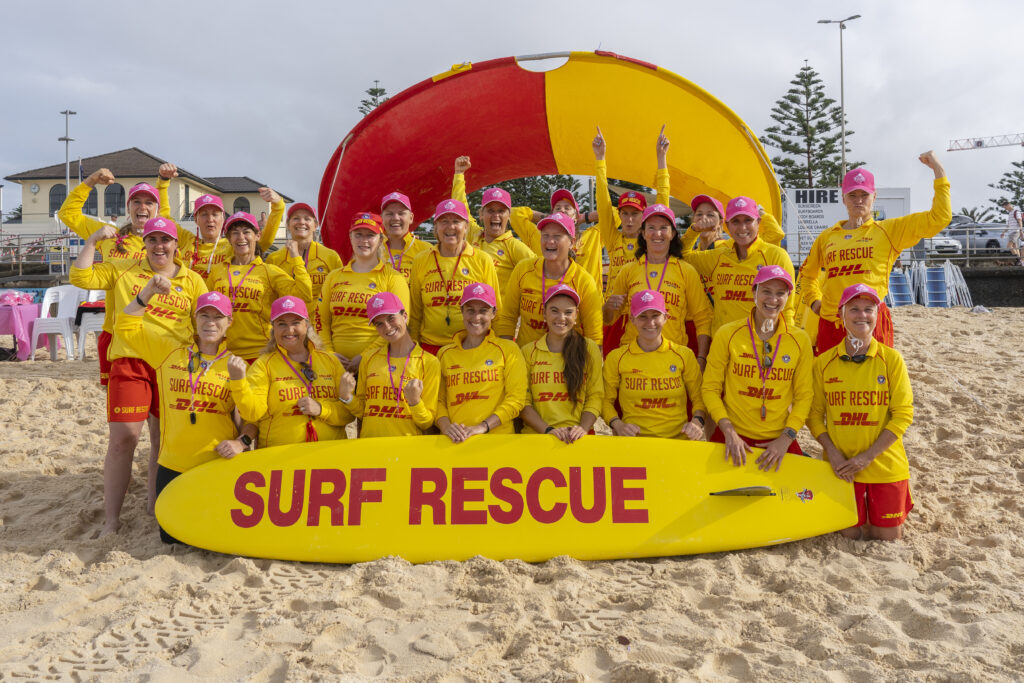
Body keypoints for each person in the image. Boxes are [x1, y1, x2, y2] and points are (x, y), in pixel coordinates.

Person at [70, 217, 207, 535]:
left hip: (173, 366)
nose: (160, 246)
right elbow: (79, 276)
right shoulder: (123, 268)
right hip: (131, 362)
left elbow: (202, 324)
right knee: (124, 440)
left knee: (162, 440)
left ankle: (153, 500)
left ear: (176, 244)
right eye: (153, 240)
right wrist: (90, 241)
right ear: (143, 242)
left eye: (166, 240)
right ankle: (112, 520)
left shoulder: (193, 280)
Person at [116, 288, 251, 543]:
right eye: (204, 316)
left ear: (229, 322)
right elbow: (125, 325)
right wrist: (146, 293)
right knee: (172, 539)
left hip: (215, 466)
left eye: (218, 317)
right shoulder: (168, 352)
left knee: (214, 539)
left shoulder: (236, 365)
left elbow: (254, 418)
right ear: (194, 319)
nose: (210, 323)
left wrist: (241, 442)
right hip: (172, 466)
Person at [798, 152, 950, 354]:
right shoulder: (827, 237)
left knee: (874, 382)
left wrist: (939, 172)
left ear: (874, 197)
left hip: (871, 321)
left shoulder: (889, 231)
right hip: (832, 324)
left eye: (864, 195)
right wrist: (815, 302)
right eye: (852, 195)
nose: (858, 200)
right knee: (829, 383)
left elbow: (939, 218)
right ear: (843, 197)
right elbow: (807, 274)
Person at [808, 284, 915, 541]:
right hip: (840, 468)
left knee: (887, 538)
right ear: (841, 315)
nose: (861, 315)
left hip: (884, 466)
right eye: (854, 309)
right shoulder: (823, 362)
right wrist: (832, 454)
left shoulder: (892, 360)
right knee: (848, 534)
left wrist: (866, 457)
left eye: (869, 309)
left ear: (877, 315)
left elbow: (903, 415)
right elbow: (813, 416)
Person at [701, 266, 813, 471]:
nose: (773, 299)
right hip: (733, 435)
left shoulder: (800, 340)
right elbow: (710, 389)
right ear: (754, 293)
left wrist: (786, 438)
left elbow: (804, 396)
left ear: (788, 297)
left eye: (780, 293)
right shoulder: (727, 334)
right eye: (766, 291)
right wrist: (729, 432)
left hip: (779, 440)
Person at [592, 126, 671, 352]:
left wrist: (661, 159)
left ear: (644, 216)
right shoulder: (612, 237)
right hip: (614, 314)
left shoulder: (650, 242)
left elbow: (662, 201)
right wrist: (600, 159)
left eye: (634, 214)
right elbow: (603, 200)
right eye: (624, 213)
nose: (628, 219)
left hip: (644, 315)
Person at [230, 296, 349, 446]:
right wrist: (238, 383)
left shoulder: (330, 361)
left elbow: (348, 413)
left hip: (327, 456)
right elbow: (252, 414)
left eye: (295, 323)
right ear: (273, 328)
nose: (290, 330)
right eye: (282, 324)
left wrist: (321, 409)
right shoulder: (263, 365)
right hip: (281, 460)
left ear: (306, 325)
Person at [603, 203, 713, 365]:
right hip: (633, 359)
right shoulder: (628, 271)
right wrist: (607, 307)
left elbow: (703, 318)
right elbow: (609, 320)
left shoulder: (686, 271)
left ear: (673, 233)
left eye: (664, 228)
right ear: (643, 233)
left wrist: (702, 358)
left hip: (672, 358)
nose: (657, 234)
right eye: (651, 228)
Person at [682, 196, 796, 339]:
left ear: (758, 222)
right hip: (723, 345)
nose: (742, 228)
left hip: (760, 343)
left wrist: (786, 341)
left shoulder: (775, 255)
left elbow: (787, 309)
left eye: (748, 220)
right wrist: (694, 229)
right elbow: (683, 256)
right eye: (736, 221)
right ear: (727, 226)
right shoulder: (718, 256)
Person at [206, 211, 312, 361]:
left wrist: (296, 258)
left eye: (246, 232)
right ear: (229, 239)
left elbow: (304, 294)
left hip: (259, 353)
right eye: (235, 233)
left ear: (258, 236)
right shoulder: (217, 270)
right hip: (223, 352)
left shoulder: (269, 271)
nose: (241, 237)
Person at [603, 290, 706, 439]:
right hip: (635, 444)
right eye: (643, 316)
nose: (650, 323)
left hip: (678, 443)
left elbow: (699, 397)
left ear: (666, 317)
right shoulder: (616, 358)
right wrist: (618, 425)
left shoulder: (684, 355)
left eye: (655, 316)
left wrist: (697, 422)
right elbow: (605, 401)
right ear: (632, 319)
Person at [336, 292, 441, 437]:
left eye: (391, 318)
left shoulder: (429, 362)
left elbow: (427, 422)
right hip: (372, 448)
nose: (387, 327)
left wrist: (415, 402)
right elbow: (363, 412)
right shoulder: (369, 358)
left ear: (404, 316)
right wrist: (347, 397)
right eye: (379, 323)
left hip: (406, 451)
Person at [155, 163, 283, 279]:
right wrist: (163, 182)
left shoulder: (233, 244)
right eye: (204, 214)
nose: (210, 219)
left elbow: (264, 241)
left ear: (223, 218)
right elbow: (164, 218)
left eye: (215, 214)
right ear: (196, 219)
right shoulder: (185, 240)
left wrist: (278, 207)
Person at [317, 212, 409, 372]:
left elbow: (401, 323)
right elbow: (320, 320)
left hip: (379, 363)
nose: (364, 241)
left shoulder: (393, 278)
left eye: (370, 235)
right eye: (358, 235)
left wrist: (366, 356)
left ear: (381, 240)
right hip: (334, 365)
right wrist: (328, 353)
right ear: (350, 237)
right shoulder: (334, 277)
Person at [495, 212, 603, 349]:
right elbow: (508, 319)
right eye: (545, 235)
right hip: (527, 360)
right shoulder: (523, 270)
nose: (550, 241)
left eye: (557, 236)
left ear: (572, 242)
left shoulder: (584, 280)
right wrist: (507, 356)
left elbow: (594, 334)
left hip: (567, 361)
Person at [436, 283, 527, 442]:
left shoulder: (508, 349)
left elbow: (516, 400)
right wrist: (447, 427)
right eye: (470, 310)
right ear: (462, 311)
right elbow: (438, 401)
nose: (476, 317)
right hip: (455, 442)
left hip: (497, 442)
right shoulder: (444, 354)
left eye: (483, 311)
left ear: (493, 313)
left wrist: (483, 427)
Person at [409, 199, 499, 354]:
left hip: (470, 347)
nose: (450, 227)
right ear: (435, 227)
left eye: (456, 221)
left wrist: (494, 348)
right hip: (430, 347)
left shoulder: (482, 260)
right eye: (444, 221)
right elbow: (415, 313)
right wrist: (413, 348)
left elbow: (496, 310)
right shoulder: (421, 260)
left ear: (466, 227)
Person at [520, 284, 603, 443]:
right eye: (554, 310)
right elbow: (522, 402)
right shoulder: (528, 351)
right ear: (544, 313)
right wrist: (549, 430)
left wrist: (582, 429)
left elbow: (596, 396)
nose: (561, 318)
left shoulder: (589, 348)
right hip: (537, 438)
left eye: (568, 312)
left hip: (577, 438)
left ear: (576, 315)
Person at [450, 157, 536, 292]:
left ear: (508, 216)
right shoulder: (474, 234)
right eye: (490, 211)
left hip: (498, 312)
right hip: (470, 311)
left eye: (501, 211)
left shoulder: (514, 247)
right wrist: (459, 174)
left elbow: (539, 272)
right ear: (481, 214)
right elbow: (460, 208)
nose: (496, 215)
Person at [59, 168, 158, 267]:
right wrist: (91, 181)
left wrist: (163, 182)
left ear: (157, 211)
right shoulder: (110, 235)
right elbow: (68, 214)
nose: (142, 207)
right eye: (137, 202)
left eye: (149, 203)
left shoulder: (165, 243)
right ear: (128, 209)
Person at [509, 189, 604, 290]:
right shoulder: (540, 237)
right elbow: (515, 214)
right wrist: (551, 217)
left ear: (576, 216)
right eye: (557, 208)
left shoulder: (593, 236)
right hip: (549, 301)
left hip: (588, 300)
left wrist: (584, 217)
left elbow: (615, 214)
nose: (562, 210)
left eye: (567, 208)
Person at [265, 202, 343, 305]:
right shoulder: (274, 258)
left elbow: (339, 294)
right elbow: (270, 298)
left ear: (315, 225)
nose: (301, 222)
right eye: (296, 218)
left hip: (318, 320)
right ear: (288, 225)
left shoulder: (331, 257)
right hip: (287, 319)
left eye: (307, 219)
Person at [381, 191, 433, 282]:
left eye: (401, 213)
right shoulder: (373, 249)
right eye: (389, 214)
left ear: (411, 218)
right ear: (382, 218)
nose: (396, 218)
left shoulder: (426, 250)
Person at [1001, 200, 1024, 266]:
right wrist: (1003, 232)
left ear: (1008, 205)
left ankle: (1019, 260)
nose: (1005, 209)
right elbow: (1009, 225)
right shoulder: (1010, 213)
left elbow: (1020, 221)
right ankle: (1021, 262)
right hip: (1011, 232)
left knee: (1009, 246)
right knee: (1015, 247)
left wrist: (1021, 231)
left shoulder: (1016, 212)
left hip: (1015, 231)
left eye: (1005, 207)